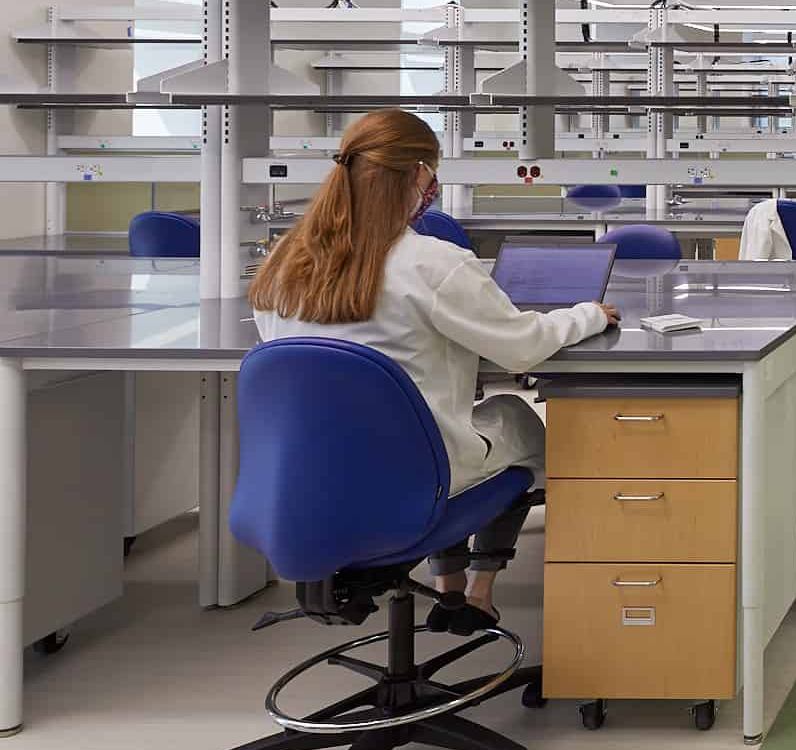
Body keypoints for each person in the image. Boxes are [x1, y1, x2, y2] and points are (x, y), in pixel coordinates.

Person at [247, 108, 620, 636]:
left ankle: (448, 584)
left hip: (309, 480)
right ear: (420, 172)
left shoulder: (285, 260)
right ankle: (476, 594)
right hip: (415, 480)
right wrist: (586, 314)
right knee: (514, 418)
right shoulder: (433, 263)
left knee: (441, 426)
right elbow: (523, 348)